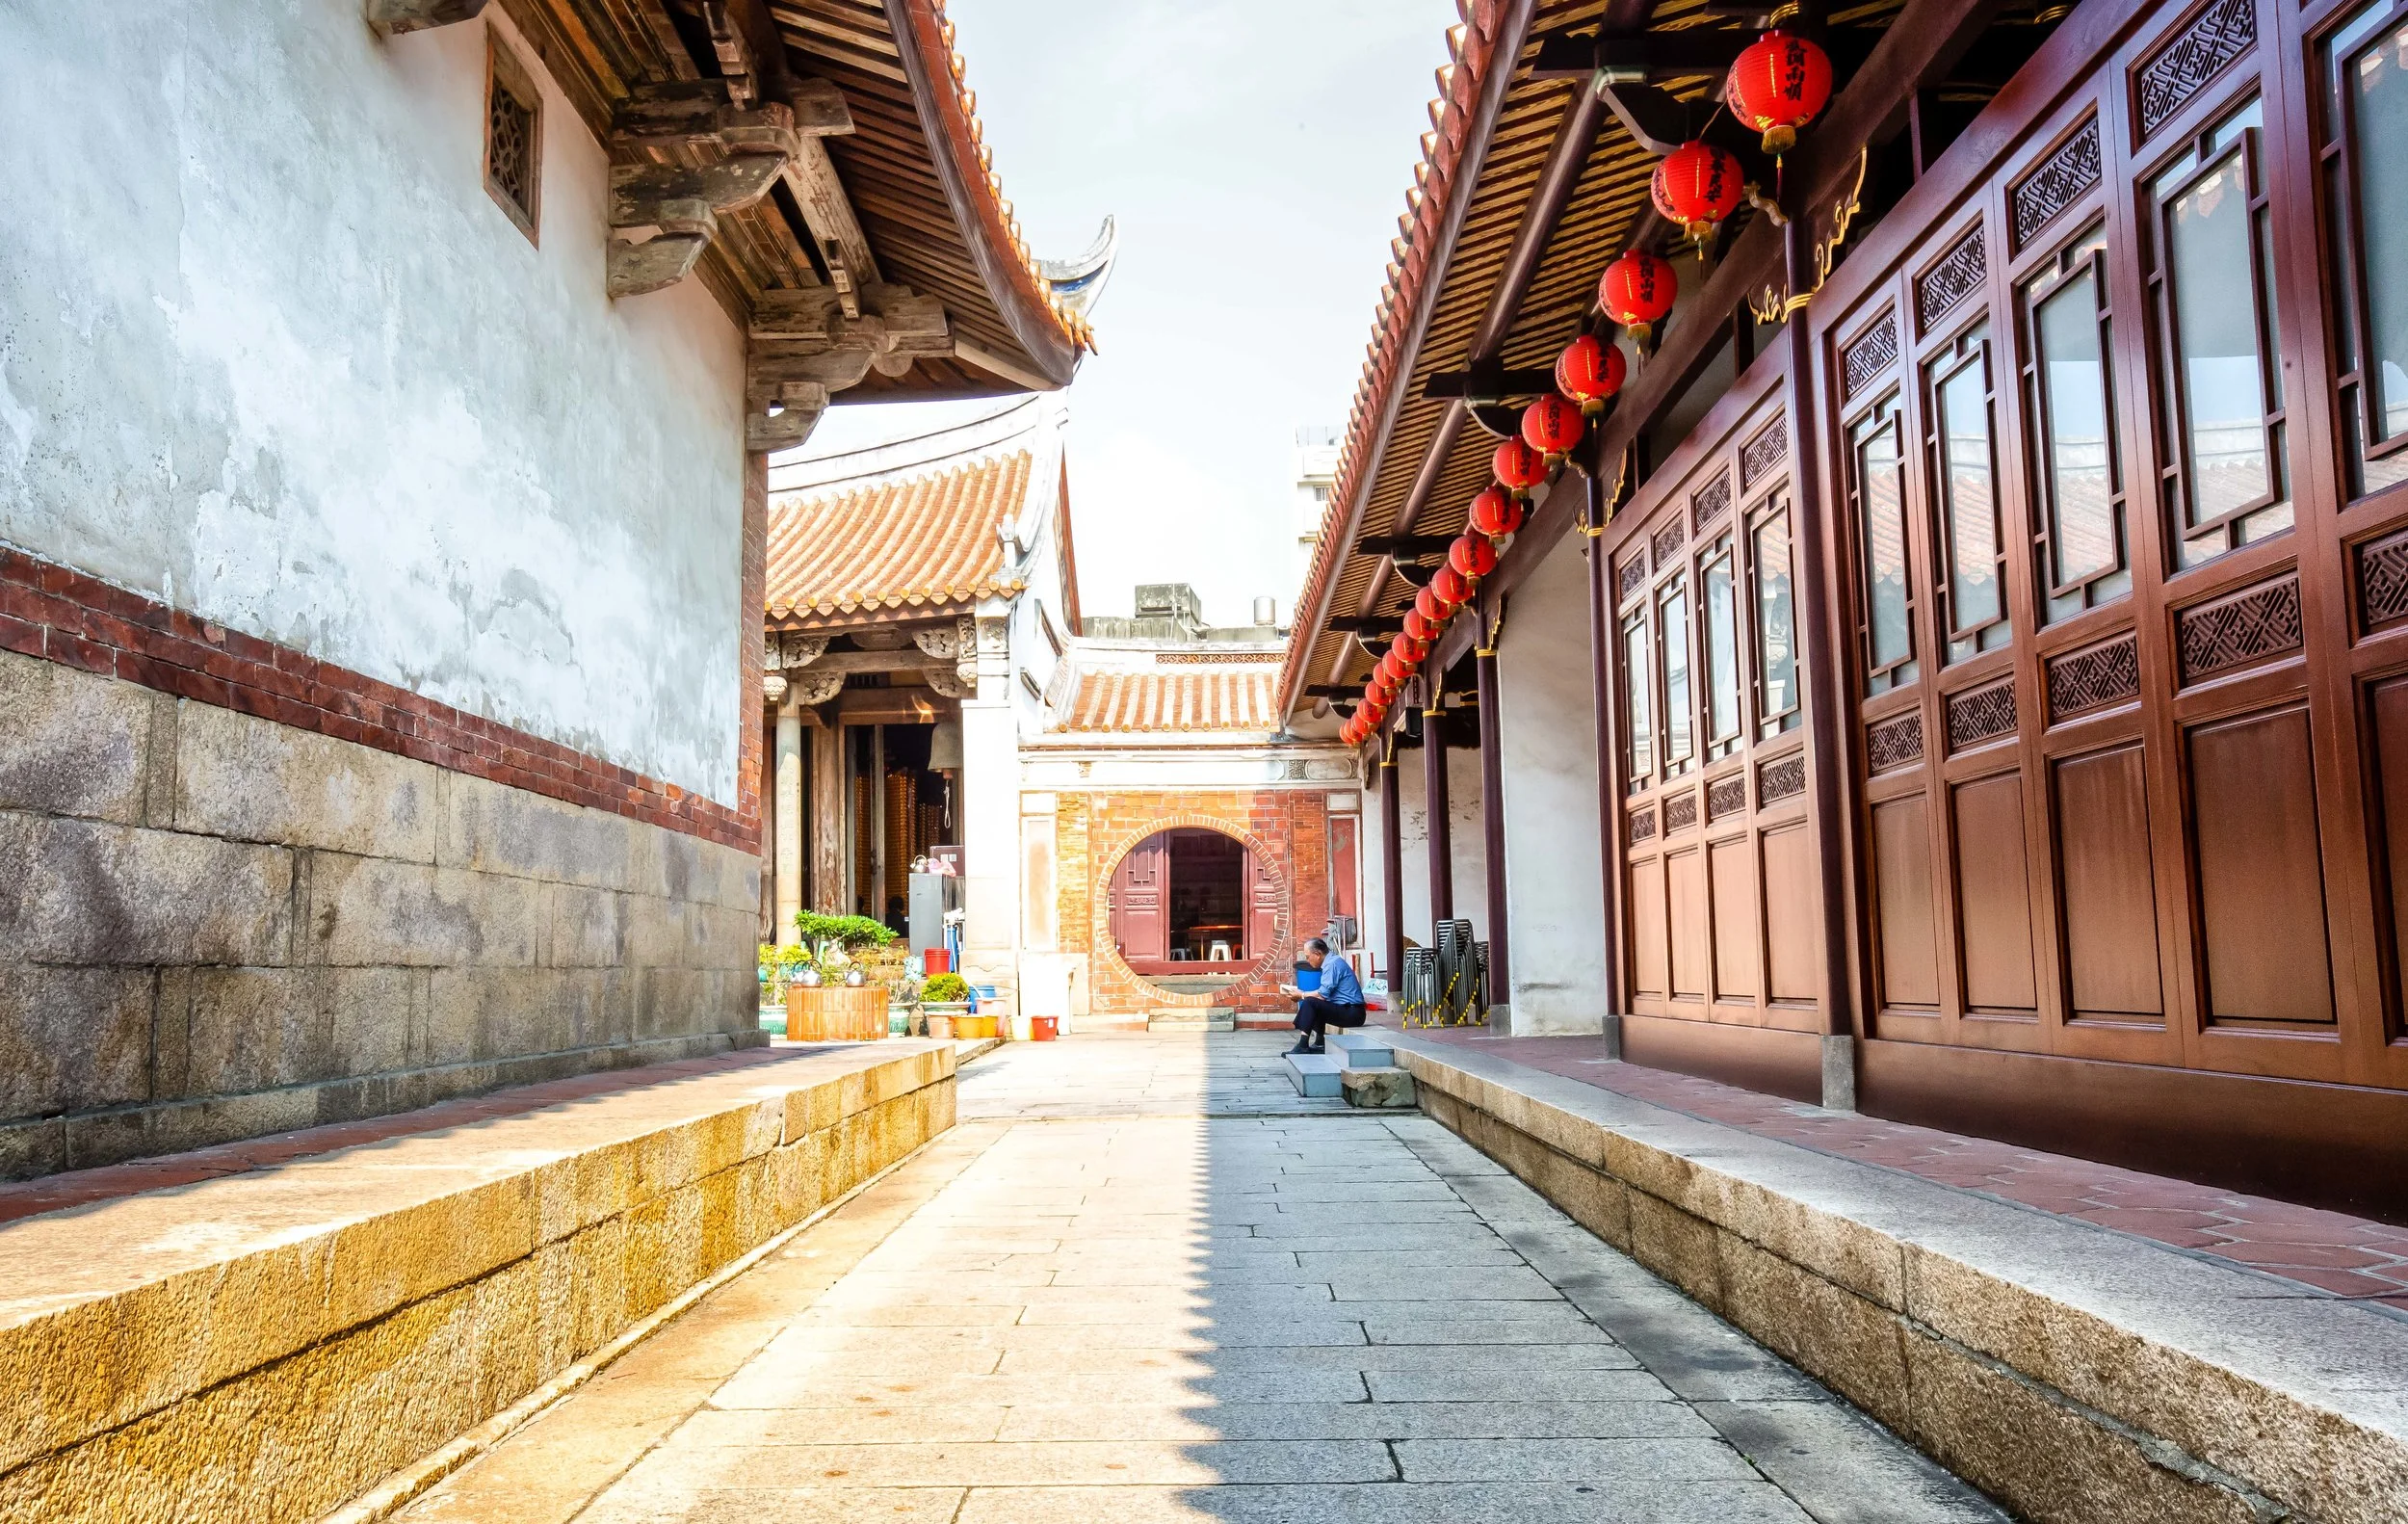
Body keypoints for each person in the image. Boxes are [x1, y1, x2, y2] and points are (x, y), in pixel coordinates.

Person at [1280, 937, 1366, 1055]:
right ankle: (1320, 1042)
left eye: (1307, 956)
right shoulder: (1331, 962)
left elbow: (1322, 995)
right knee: (1314, 1002)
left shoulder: (1332, 964)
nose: (1307, 960)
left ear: (1317, 954)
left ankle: (1303, 1044)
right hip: (1347, 1010)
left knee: (1311, 1002)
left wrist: (1301, 995)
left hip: (1353, 1013)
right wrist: (1302, 995)